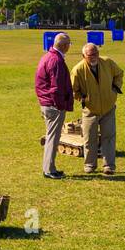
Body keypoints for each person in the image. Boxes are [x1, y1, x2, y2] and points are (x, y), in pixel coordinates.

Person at [71, 42, 124, 175]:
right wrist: (83, 99)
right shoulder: (77, 70)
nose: (94, 57)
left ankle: (109, 166)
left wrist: (115, 89)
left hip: (108, 108)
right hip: (90, 110)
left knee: (109, 137)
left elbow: (119, 74)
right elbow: (73, 90)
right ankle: (89, 165)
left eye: (96, 53)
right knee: (89, 138)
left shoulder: (108, 62)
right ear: (84, 56)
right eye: (90, 55)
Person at [35, 33, 73, 178]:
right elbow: (56, 87)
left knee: (51, 137)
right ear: (64, 45)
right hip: (53, 105)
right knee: (53, 138)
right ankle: (49, 170)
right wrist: (60, 105)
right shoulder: (56, 60)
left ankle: (49, 168)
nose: (69, 47)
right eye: (69, 44)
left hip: (47, 103)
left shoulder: (47, 56)